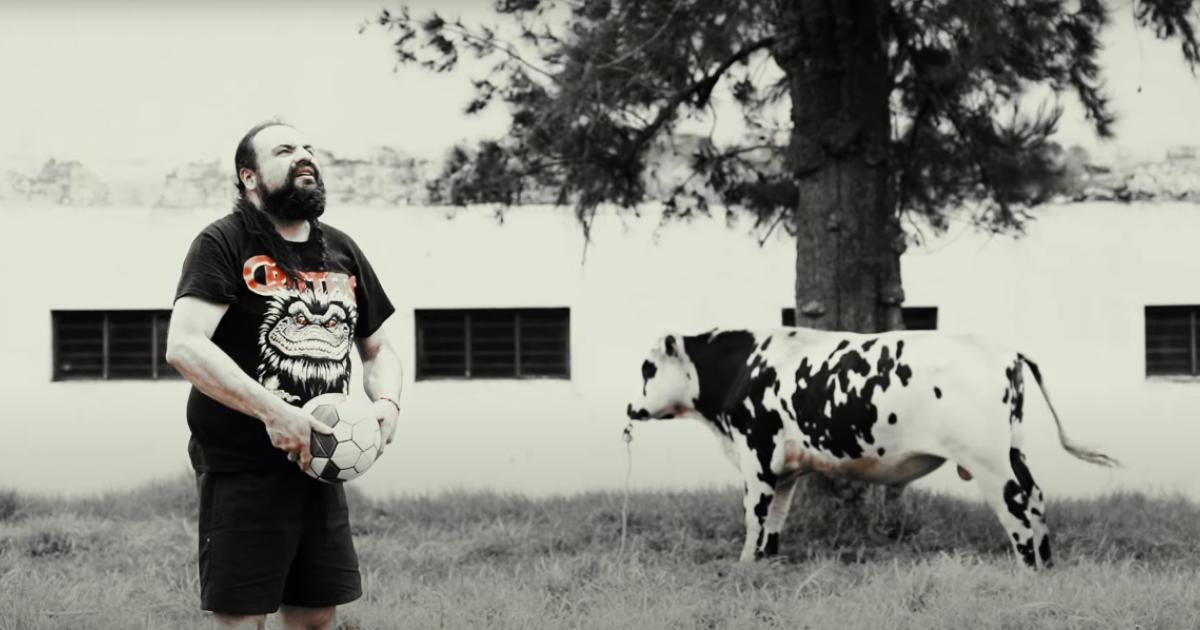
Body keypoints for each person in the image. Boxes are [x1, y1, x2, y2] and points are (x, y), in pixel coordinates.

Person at [166, 121, 402, 630]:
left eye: (308, 148)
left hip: (325, 463)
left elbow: (379, 351)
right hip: (243, 468)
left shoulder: (341, 250)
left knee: (317, 614)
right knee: (242, 619)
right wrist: (275, 413)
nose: (304, 156)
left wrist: (387, 404)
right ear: (249, 177)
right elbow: (185, 346)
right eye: (285, 150)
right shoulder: (223, 243)